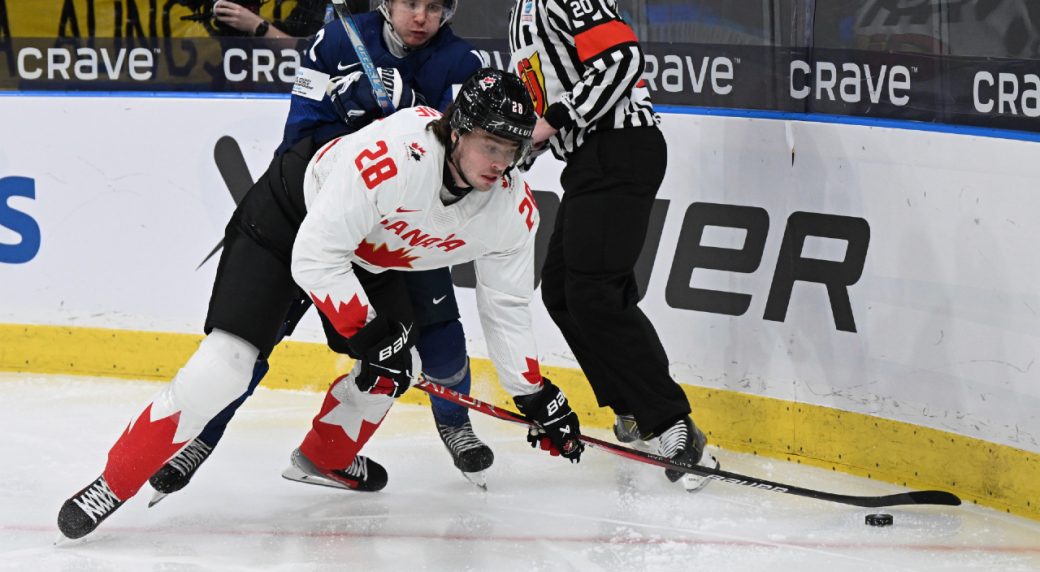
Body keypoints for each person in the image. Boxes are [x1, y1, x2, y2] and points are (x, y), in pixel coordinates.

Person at [58, 68, 584, 541]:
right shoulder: (394, 159)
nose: (502, 163)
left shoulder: (512, 209)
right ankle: (112, 483)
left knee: (393, 370)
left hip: (367, 253)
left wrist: (534, 394)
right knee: (226, 365)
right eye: (491, 145)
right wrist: (367, 331)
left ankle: (325, 459)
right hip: (287, 221)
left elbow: (507, 305)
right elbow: (315, 257)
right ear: (458, 130)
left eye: (513, 148)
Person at [146, 0, 494, 508]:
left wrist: (409, 118)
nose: (421, 17)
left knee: (439, 334)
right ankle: (200, 437)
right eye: (410, 3)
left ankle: (455, 425)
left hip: (401, 225)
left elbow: (459, 152)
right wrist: (354, 130)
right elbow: (300, 130)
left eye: (434, 6)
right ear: (388, 3)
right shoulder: (334, 42)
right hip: (320, 211)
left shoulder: (463, 63)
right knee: (252, 342)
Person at [507, 0, 719, 490]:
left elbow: (621, 61)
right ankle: (634, 407)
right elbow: (546, 100)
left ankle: (672, 422)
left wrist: (552, 121)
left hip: (621, 148)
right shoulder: (520, 11)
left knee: (594, 292)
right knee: (561, 292)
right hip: (589, 161)